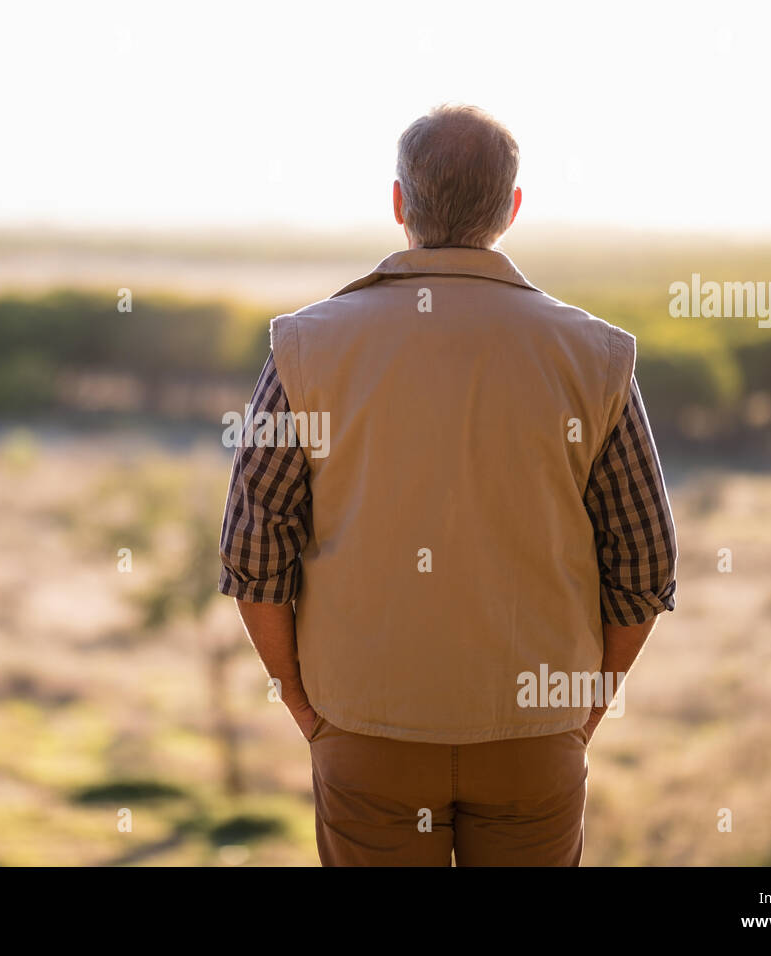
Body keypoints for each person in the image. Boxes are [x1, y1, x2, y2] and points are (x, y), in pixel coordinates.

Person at [218, 104, 677, 866]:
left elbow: (253, 550)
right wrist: (578, 713)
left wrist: (307, 709)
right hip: (536, 737)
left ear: (398, 202)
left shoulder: (306, 344)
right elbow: (647, 564)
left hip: (365, 730)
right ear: (512, 209)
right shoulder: (595, 354)